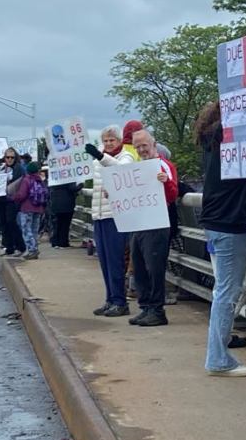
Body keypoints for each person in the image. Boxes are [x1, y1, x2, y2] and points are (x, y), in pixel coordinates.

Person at [194, 101, 246, 377]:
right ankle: (218, 358)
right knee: (226, 292)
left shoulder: (211, 147)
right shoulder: (227, 142)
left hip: (220, 224)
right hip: (232, 226)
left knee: (224, 289)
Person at [127, 129, 178, 326]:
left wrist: (166, 183)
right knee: (139, 266)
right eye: (138, 147)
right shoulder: (139, 167)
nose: (141, 150)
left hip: (157, 222)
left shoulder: (163, 165)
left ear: (153, 145)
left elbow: (173, 195)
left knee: (154, 267)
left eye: (144, 146)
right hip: (140, 222)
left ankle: (157, 309)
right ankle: (146, 306)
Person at [85, 126, 136, 317]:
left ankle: (120, 301)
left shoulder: (125, 156)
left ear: (119, 141)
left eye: (112, 140)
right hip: (99, 213)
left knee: (115, 260)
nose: (108, 144)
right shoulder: (100, 158)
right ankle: (110, 298)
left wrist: (100, 156)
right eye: (105, 140)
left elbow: (121, 170)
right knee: (104, 260)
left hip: (115, 215)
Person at [12, 162, 47, 260]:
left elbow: (22, 195)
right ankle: (34, 248)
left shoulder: (26, 180)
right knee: (34, 230)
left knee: (26, 230)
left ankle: (32, 250)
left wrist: (13, 197)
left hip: (27, 208)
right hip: (38, 209)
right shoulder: (40, 180)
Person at [0, 147, 26, 257]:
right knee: (4, 223)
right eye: (7, 157)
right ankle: (8, 247)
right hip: (1, 199)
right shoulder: (2, 168)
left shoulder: (18, 168)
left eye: (12, 157)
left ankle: (20, 246)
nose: (9, 159)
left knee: (12, 222)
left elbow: (19, 183)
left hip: (13, 200)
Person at [48, 180, 83, 248]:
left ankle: (55, 242)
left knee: (57, 224)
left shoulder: (55, 179)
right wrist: (81, 185)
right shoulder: (68, 179)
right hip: (67, 204)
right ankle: (63, 242)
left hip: (55, 203)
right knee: (65, 225)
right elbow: (73, 188)